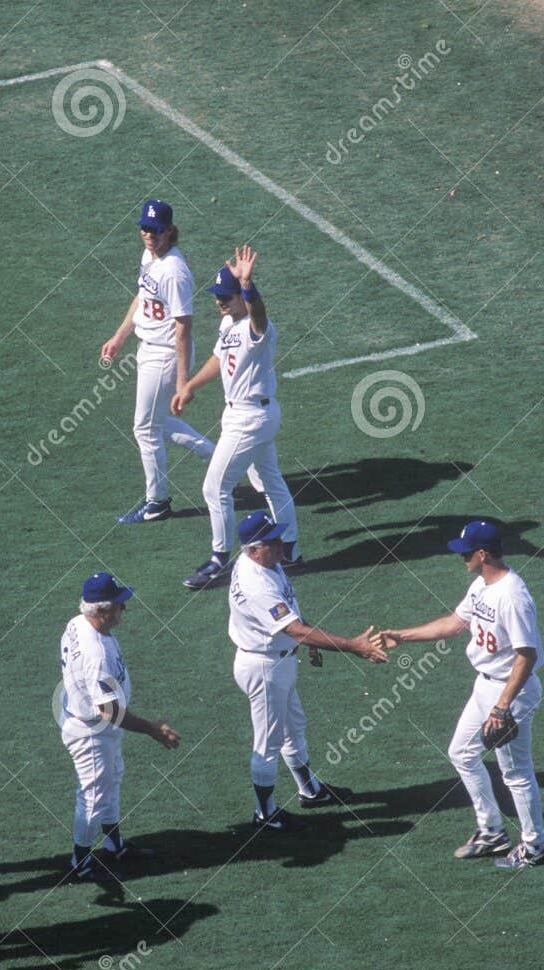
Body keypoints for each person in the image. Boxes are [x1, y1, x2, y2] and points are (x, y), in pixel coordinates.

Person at [381, 520, 544, 868]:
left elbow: (527, 654)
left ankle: (535, 849)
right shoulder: (481, 585)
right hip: (485, 686)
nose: (462, 559)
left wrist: (503, 707)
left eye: (466, 553)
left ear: (483, 553)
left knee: (516, 773)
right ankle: (492, 832)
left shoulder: (513, 595)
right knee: (461, 752)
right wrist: (403, 636)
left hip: (511, 692)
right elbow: (455, 623)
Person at [100, 199, 263, 523]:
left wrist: (181, 380)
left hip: (163, 354)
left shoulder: (175, 272)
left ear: (170, 231)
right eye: (145, 230)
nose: (149, 236)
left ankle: (157, 501)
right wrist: (119, 336)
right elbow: (142, 298)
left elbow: (183, 327)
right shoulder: (149, 256)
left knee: (145, 428)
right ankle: (221, 459)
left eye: (156, 231)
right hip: (147, 348)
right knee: (158, 422)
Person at [228, 511, 384, 831]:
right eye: (273, 541)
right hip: (264, 667)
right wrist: (353, 646)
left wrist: (308, 633)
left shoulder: (265, 563)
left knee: (294, 726)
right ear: (254, 549)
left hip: (278, 660)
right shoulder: (256, 582)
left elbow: (293, 617)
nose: (281, 544)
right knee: (268, 742)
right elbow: (294, 629)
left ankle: (309, 790)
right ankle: (264, 813)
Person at [173, 245, 301, 590]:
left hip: (250, 417)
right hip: (243, 414)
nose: (221, 301)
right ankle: (290, 547)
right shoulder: (228, 322)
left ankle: (219, 559)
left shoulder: (257, 328)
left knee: (214, 488)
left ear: (241, 296)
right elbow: (219, 359)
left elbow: (258, 311)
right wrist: (189, 386)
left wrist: (247, 285)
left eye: (227, 296)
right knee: (269, 479)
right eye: (218, 296)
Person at [57, 572, 180, 883]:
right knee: (93, 796)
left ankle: (114, 845)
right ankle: (80, 862)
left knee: (110, 782)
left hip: (93, 723)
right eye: (119, 606)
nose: (123, 610)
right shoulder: (96, 653)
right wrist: (152, 729)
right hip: (91, 731)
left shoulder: (78, 622)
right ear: (101, 611)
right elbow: (109, 710)